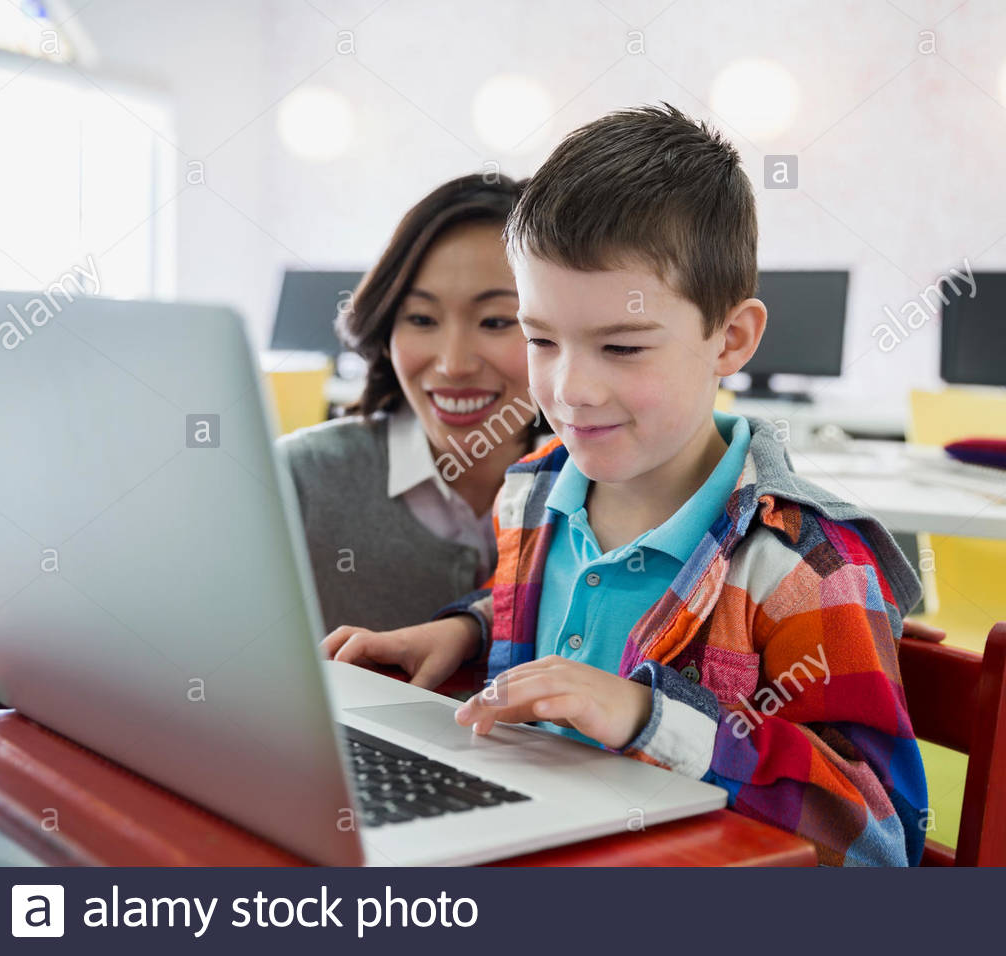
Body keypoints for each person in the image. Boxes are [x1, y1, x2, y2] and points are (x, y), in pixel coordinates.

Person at [323, 106, 927, 866]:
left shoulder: (808, 566)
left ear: (730, 339)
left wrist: (651, 716)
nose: (571, 390)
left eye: (621, 345)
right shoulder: (537, 494)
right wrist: (463, 634)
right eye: (541, 339)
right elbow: (541, 621)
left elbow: (880, 839)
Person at [280, 173, 544, 635]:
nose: (453, 364)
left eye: (496, 320)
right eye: (421, 318)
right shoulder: (298, 478)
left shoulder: (606, 483)